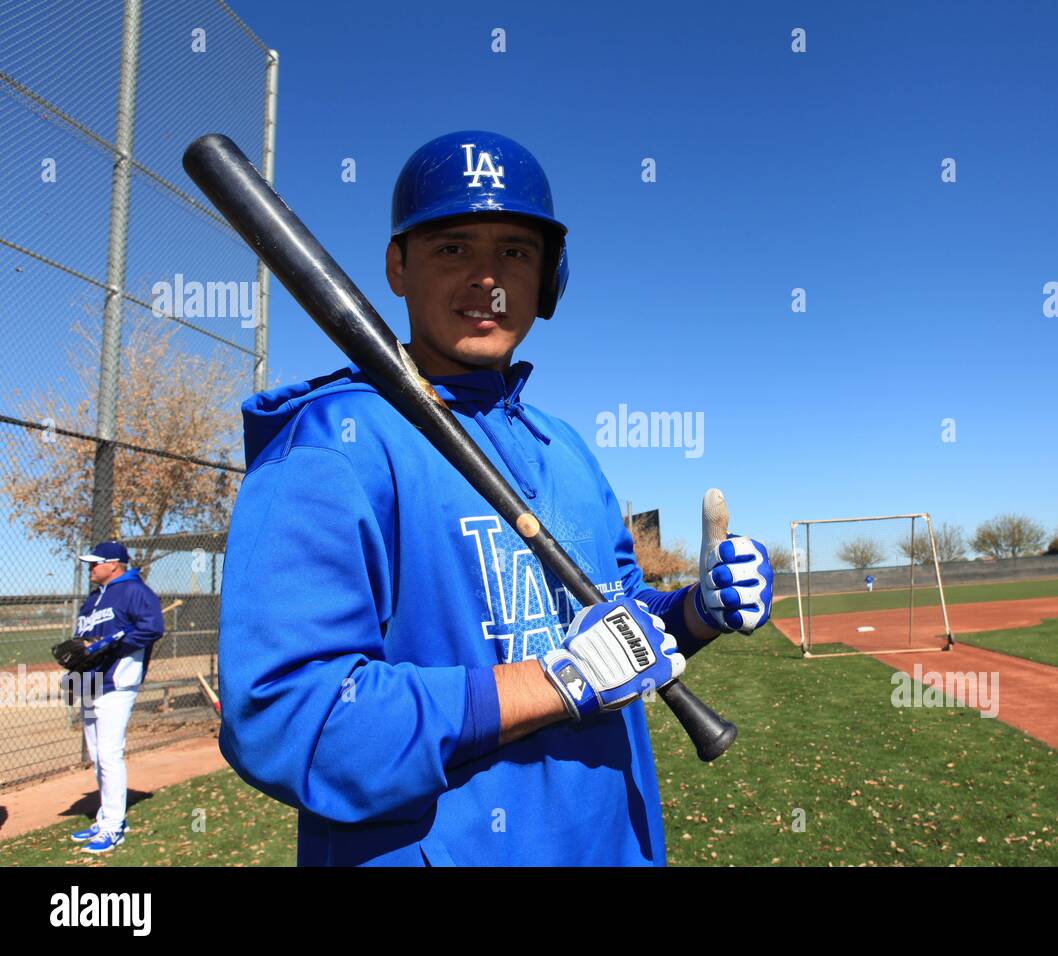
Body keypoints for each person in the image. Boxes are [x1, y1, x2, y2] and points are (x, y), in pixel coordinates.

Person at [217, 131, 775, 867]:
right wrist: (554, 682)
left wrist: (694, 611)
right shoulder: (333, 447)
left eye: (514, 251)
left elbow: (617, 621)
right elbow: (291, 717)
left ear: (548, 278)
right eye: (453, 248)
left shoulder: (565, 448)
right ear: (397, 267)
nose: (487, 278)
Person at [67, 540, 164, 853]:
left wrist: (113, 645)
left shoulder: (135, 590)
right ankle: (105, 816)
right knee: (97, 755)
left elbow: (152, 627)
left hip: (117, 683)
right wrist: (81, 656)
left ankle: (114, 827)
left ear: (114, 564)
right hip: (91, 683)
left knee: (109, 753)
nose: (91, 568)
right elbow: (85, 641)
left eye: (96, 563)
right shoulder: (93, 599)